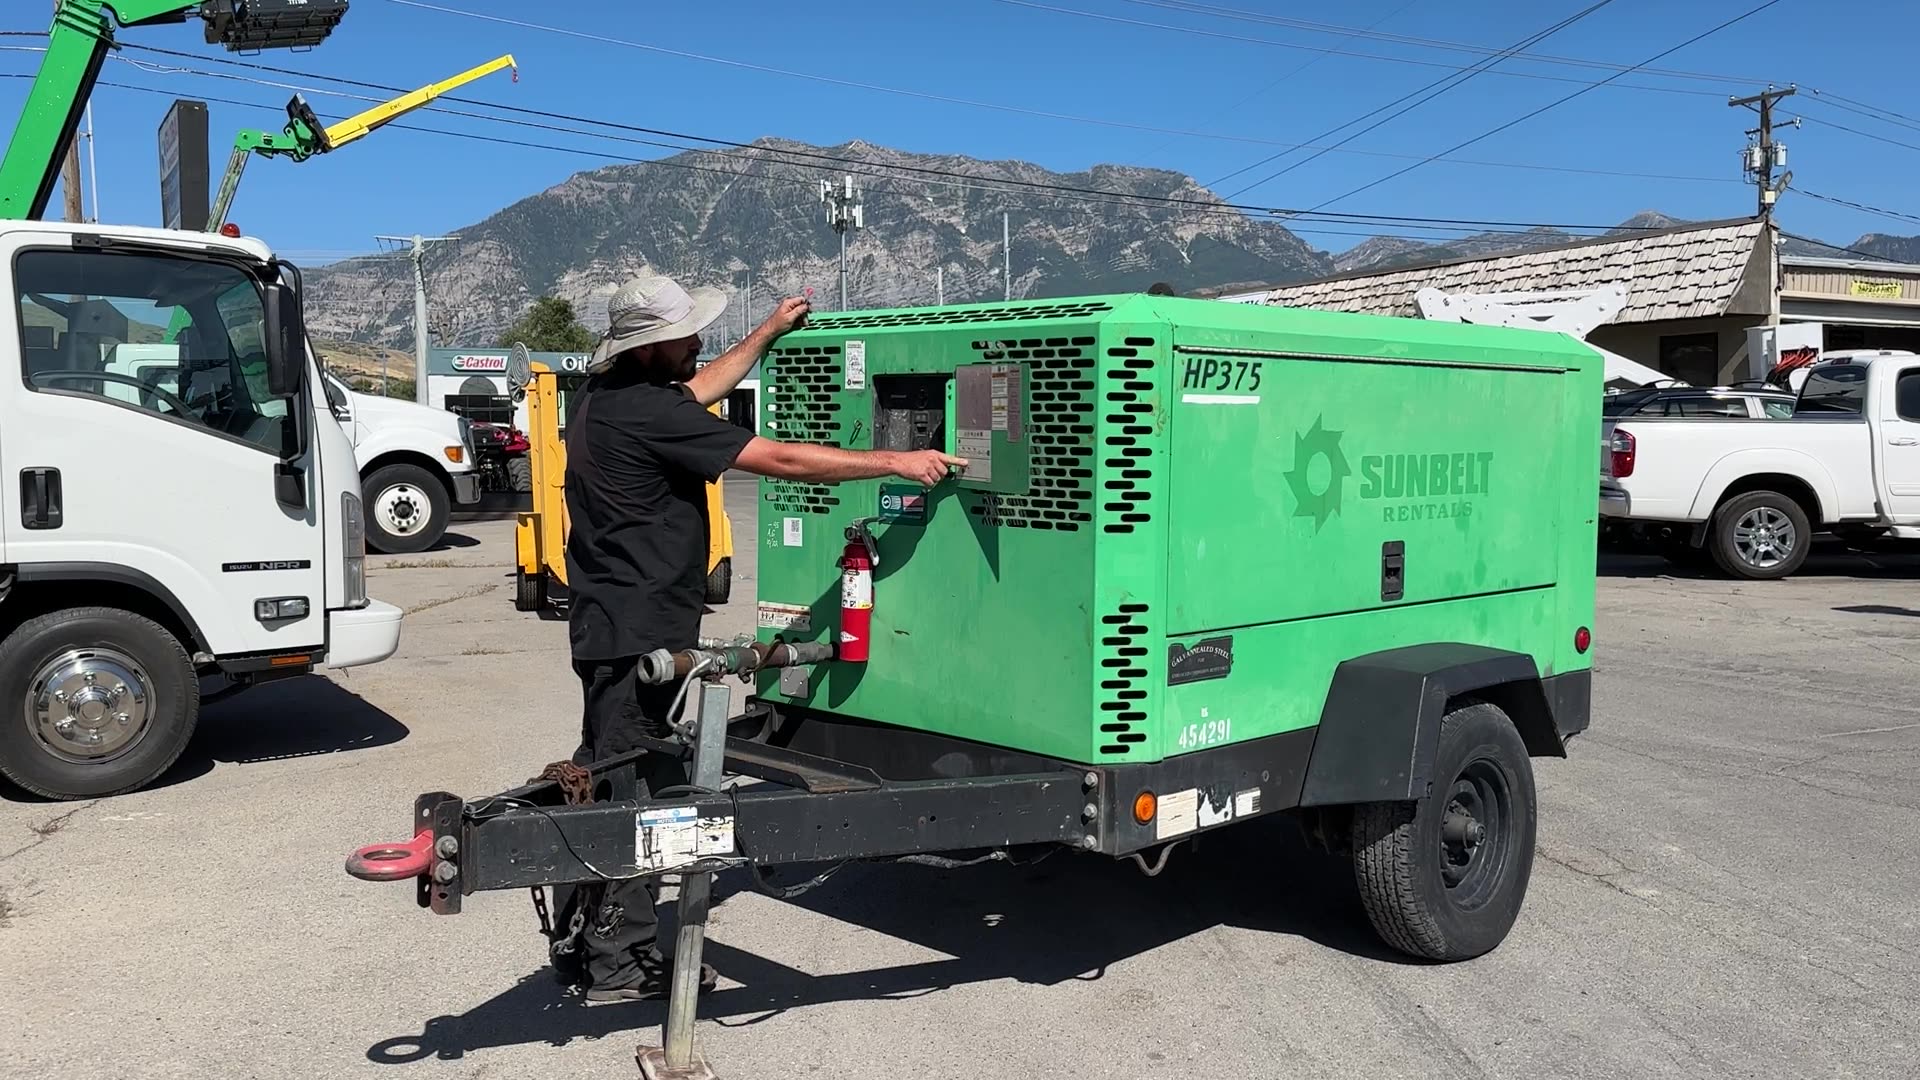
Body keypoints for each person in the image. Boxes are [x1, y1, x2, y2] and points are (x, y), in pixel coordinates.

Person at [557, 271, 964, 1003]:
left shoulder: (607, 399)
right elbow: (775, 458)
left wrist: (769, 331)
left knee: (618, 773)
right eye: (684, 335)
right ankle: (618, 961)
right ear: (649, 348)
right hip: (635, 631)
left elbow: (703, 388)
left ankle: (594, 940)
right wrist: (894, 461)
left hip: (611, 622)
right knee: (634, 790)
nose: (696, 342)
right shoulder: (647, 410)